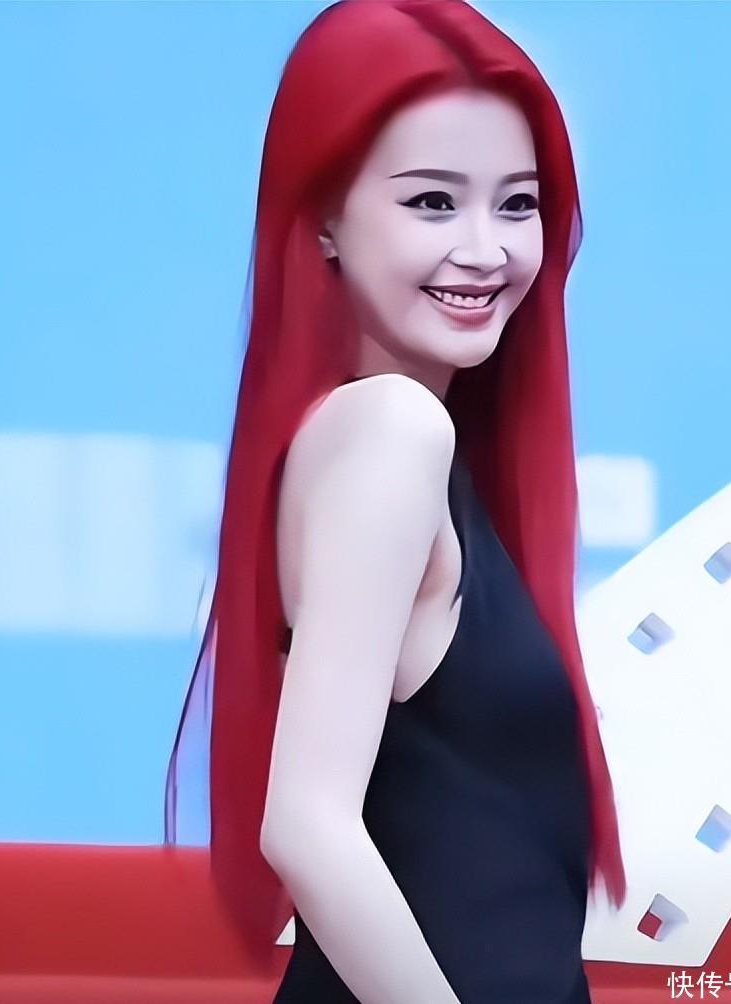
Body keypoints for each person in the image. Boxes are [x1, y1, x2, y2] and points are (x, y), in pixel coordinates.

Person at [164, 2, 627, 1001]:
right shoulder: (390, 431)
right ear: (325, 218)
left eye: (516, 204)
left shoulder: (390, 440)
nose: (486, 250)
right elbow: (307, 822)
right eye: (431, 202)